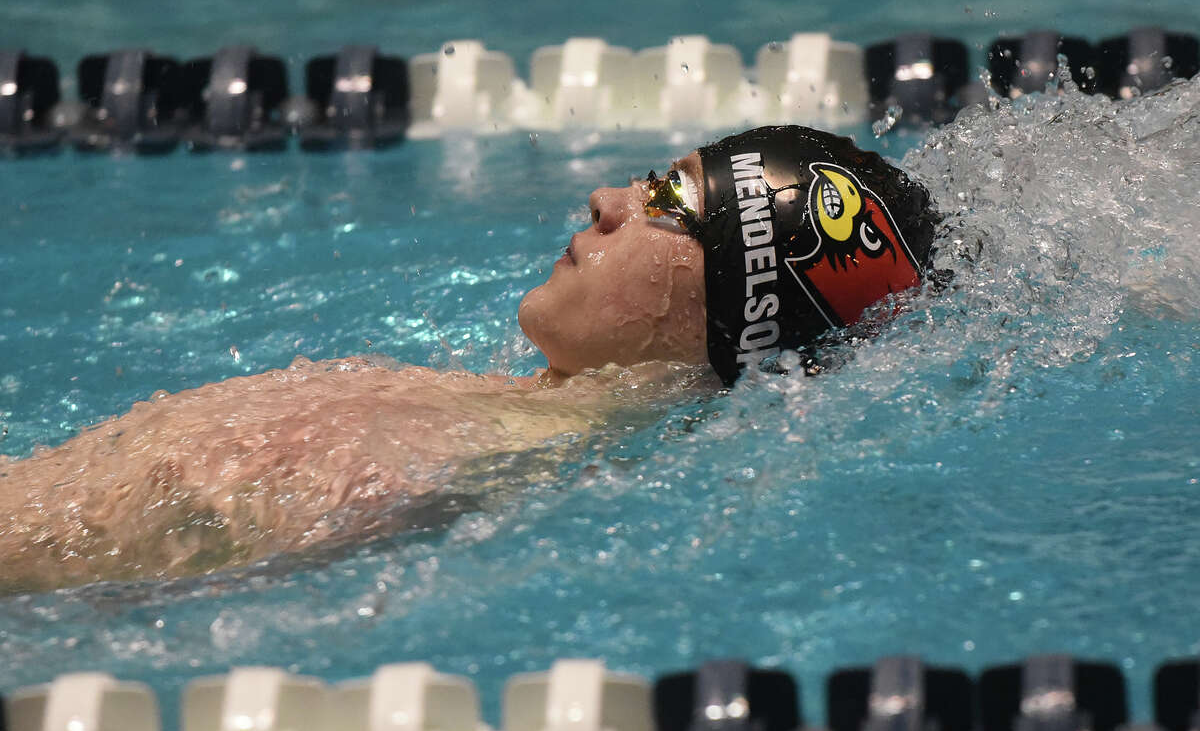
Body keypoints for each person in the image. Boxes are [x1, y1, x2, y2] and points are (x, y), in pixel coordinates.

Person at [0, 126, 939, 591]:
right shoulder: (499, 422)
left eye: (667, 200)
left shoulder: (431, 460)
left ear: (742, 306)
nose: (609, 196)